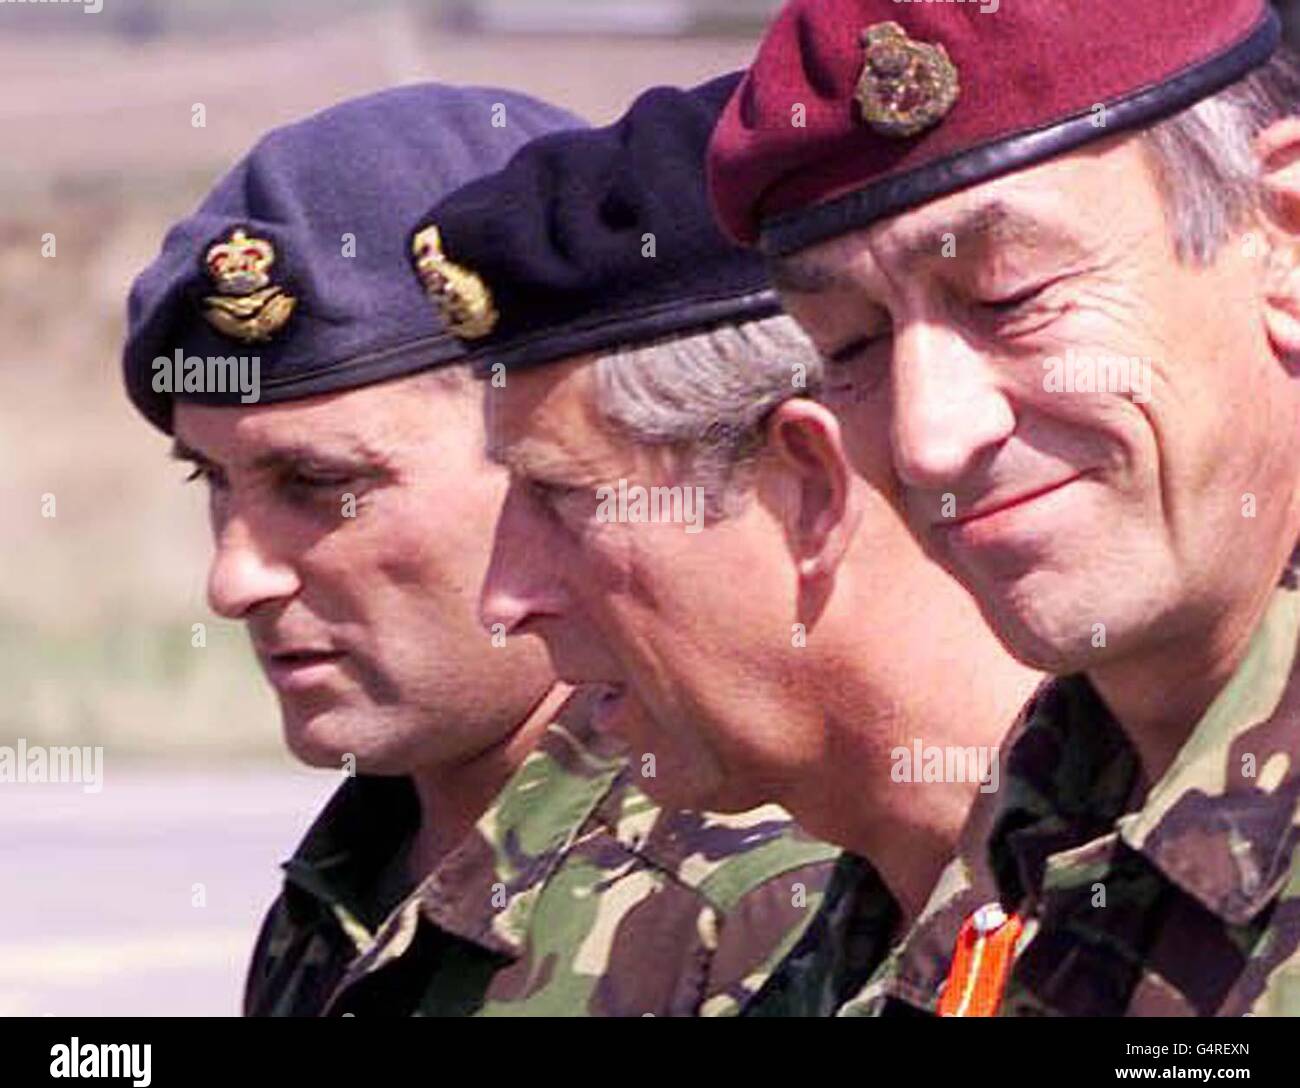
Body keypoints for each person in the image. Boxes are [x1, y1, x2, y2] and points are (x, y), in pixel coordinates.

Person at [121, 83, 839, 1017]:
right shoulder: (349, 886)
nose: (234, 579)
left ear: (546, 460)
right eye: (214, 481)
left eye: (321, 486)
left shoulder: (759, 909)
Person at [709, 0, 1300, 1015]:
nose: (926, 438)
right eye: (850, 346)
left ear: (1279, 235)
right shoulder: (1028, 849)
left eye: (1007, 294)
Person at [409, 73, 1041, 1015]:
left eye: (561, 498)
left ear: (810, 492)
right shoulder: (841, 950)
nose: (504, 596)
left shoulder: (1193, 939)